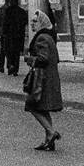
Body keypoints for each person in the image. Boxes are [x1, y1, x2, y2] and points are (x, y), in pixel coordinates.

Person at [24, 9, 63, 151]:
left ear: (42, 23)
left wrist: (29, 59)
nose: (32, 24)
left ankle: (52, 133)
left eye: (35, 21)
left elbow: (43, 58)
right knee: (44, 108)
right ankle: (48, 140)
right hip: (49, 78)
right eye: (31, 21)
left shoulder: (42, 38)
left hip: (43, 79)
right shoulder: (49, 37)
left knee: (32, 106)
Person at [0, 0, 28, 77]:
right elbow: (25, 22)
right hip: (19, 35)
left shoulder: (7, 11)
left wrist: (3, 33)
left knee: (8, 51)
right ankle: (15, 69)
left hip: (9, 35)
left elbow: (4, 23)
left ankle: (10, 65)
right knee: (17, 53)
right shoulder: (22, 11)